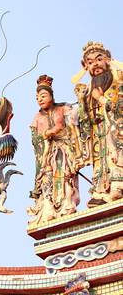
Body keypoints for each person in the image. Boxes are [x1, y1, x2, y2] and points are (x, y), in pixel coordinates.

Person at [75, 42, 123, 207]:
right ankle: (100, 190)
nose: (95, 65)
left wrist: (103, 100)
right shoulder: (89, 88)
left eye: (98, 59)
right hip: (98, 131)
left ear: (108, 59)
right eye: (89, 62)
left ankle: (118, 185)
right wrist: (82, 101)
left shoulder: (117, 78)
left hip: (116, 128)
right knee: (100, 159)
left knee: (115, 153)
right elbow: (84, 121)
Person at [29, 75, 81, 224]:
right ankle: (48, 208)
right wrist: (43, 139)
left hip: (63, 150)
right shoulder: (37, 117)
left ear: (51, 96)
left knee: (64, 176)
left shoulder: (61, 109)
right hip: (46, 154)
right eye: (37, 97)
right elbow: (35, 138)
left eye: (43, 95)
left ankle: (66, 205)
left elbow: (64, 125)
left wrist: (51, 132)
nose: (40, 99)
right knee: (47, 178)